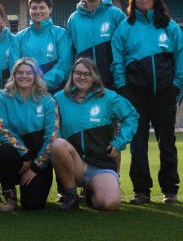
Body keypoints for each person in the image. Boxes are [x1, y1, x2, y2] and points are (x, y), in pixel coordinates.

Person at [112, 0, 183, 205]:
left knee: (167, 142)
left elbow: (181, 59)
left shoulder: (170, 26)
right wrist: (123, 88)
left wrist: (175, 86)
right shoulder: (125, 27)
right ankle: (141, 191)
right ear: (132, 0)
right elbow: (117, 61)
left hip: (164, 93)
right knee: (137, 144)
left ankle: (170, 190)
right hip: (135, 95)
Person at [51, 57, 138, 211]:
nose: (81, 77)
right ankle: (71, 196)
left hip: (101, 163)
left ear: (94, 77)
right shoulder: (59, 98)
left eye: (87, 74)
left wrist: (119, 142)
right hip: (75, 164)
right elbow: (52, 129)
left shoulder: (108, 97)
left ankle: (92, 190)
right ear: (72, 75)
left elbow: (131, 115)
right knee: (57, 144)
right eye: (78, 73)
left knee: (109, 204)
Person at [0, 57, 58, 211]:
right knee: (2, 152)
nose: (24, 76)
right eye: (19, 73)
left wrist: (35, 167)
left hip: (39, 160)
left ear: (36, 76)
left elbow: (52, 137)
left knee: (33, 205)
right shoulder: (2, 98)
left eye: (29, 73)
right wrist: (25, 155)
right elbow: (1, 129)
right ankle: (10, 197)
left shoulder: (48, 101)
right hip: (15, 155)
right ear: (14, 75)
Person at [67, 0, 125, 90]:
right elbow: (73, 53)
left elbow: (126, 48)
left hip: (114, 84)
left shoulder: (115, 14)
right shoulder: (74, 19)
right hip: (85, 86)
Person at [16, 0, 73, 94]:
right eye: (34, 8)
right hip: (27, 94)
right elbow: (15, 67)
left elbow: (64, 66)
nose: (38, 11)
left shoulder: (61, 35)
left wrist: (40, 85)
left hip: (55, 93)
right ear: (29, 10)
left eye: (42, 7)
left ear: (50, 9)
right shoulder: (19, 38)